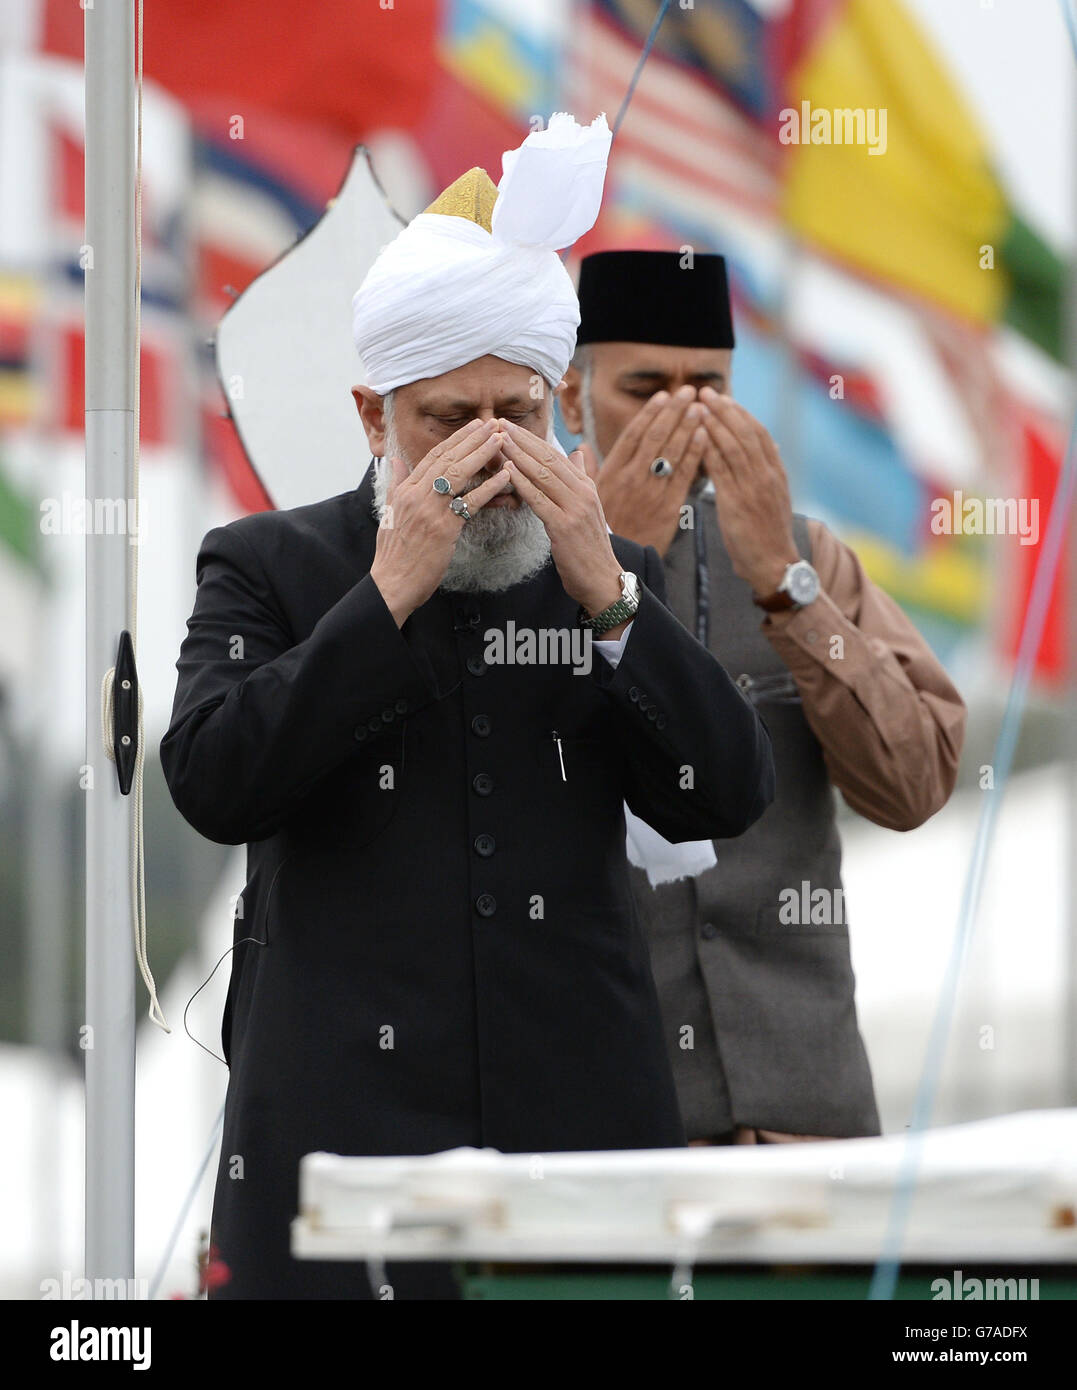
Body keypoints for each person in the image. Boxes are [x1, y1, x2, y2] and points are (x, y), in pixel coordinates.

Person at [160, 124, 775, 1299]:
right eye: (451, 421)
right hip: (338, 1160)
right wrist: (388, 593)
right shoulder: (269, 565)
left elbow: (730, 789)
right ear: (370, 416)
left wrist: (612, 595)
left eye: (523, 415)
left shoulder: (597, 573)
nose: (494, 455)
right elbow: (212, 779)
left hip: (581, 1163)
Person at [559, 249, 967, 1146]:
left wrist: (789, 592)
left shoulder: (805, 556)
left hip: (804, 1121)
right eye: (645, 389)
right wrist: (611, 565)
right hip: (606, 1131)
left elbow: (913, 785)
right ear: (568, 398)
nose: (682, 419)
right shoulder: (516, 563)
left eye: (707, 389)